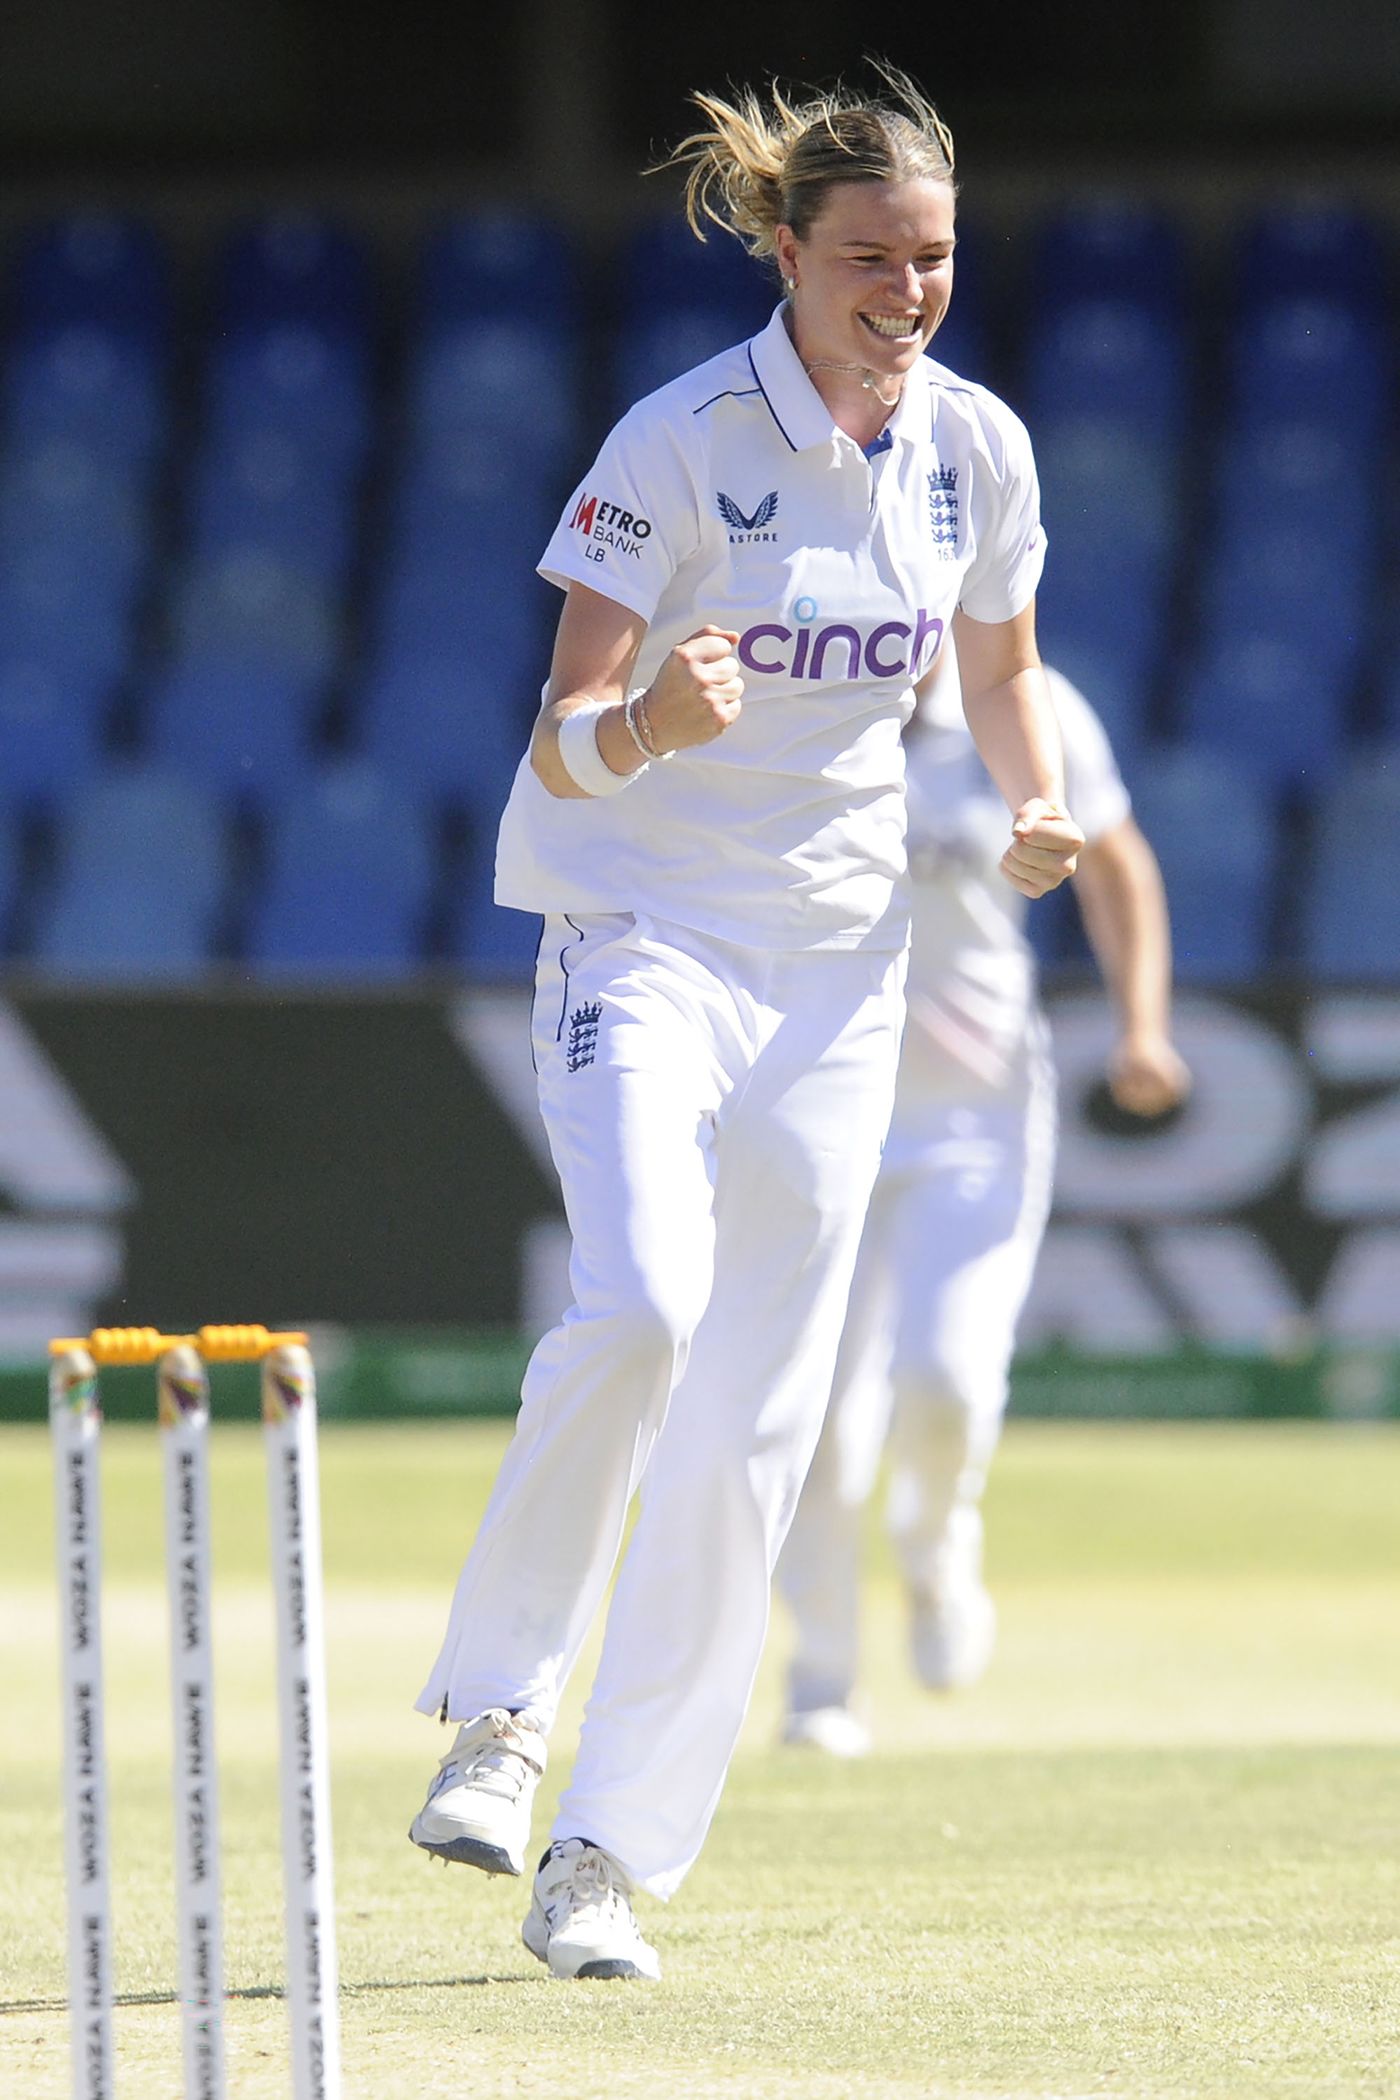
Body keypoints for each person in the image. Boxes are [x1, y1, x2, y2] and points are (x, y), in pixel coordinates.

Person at [408, 66, 1083, 1982]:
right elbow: (565, 728)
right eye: (872, 256)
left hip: (840, 964)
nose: (909, 289)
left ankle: (607, 1854)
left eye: (935, 258)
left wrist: (1034, 805)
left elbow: (1007, 666)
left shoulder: (977, 449)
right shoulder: (681, 439)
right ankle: (503, 1710)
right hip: (639, 929)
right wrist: (653, 729)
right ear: (787, 250)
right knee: (643, 1305)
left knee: (763, 1418)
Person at [777, 648, 1190, 1757]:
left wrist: (1141, 1026)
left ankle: (935, 1541)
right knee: (818, 1423)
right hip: (822, 1109)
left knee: (946, 1376)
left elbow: (1114, 866)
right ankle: (818, 1682)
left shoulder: (1029, 705)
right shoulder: (801, 696)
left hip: (976, 1114)